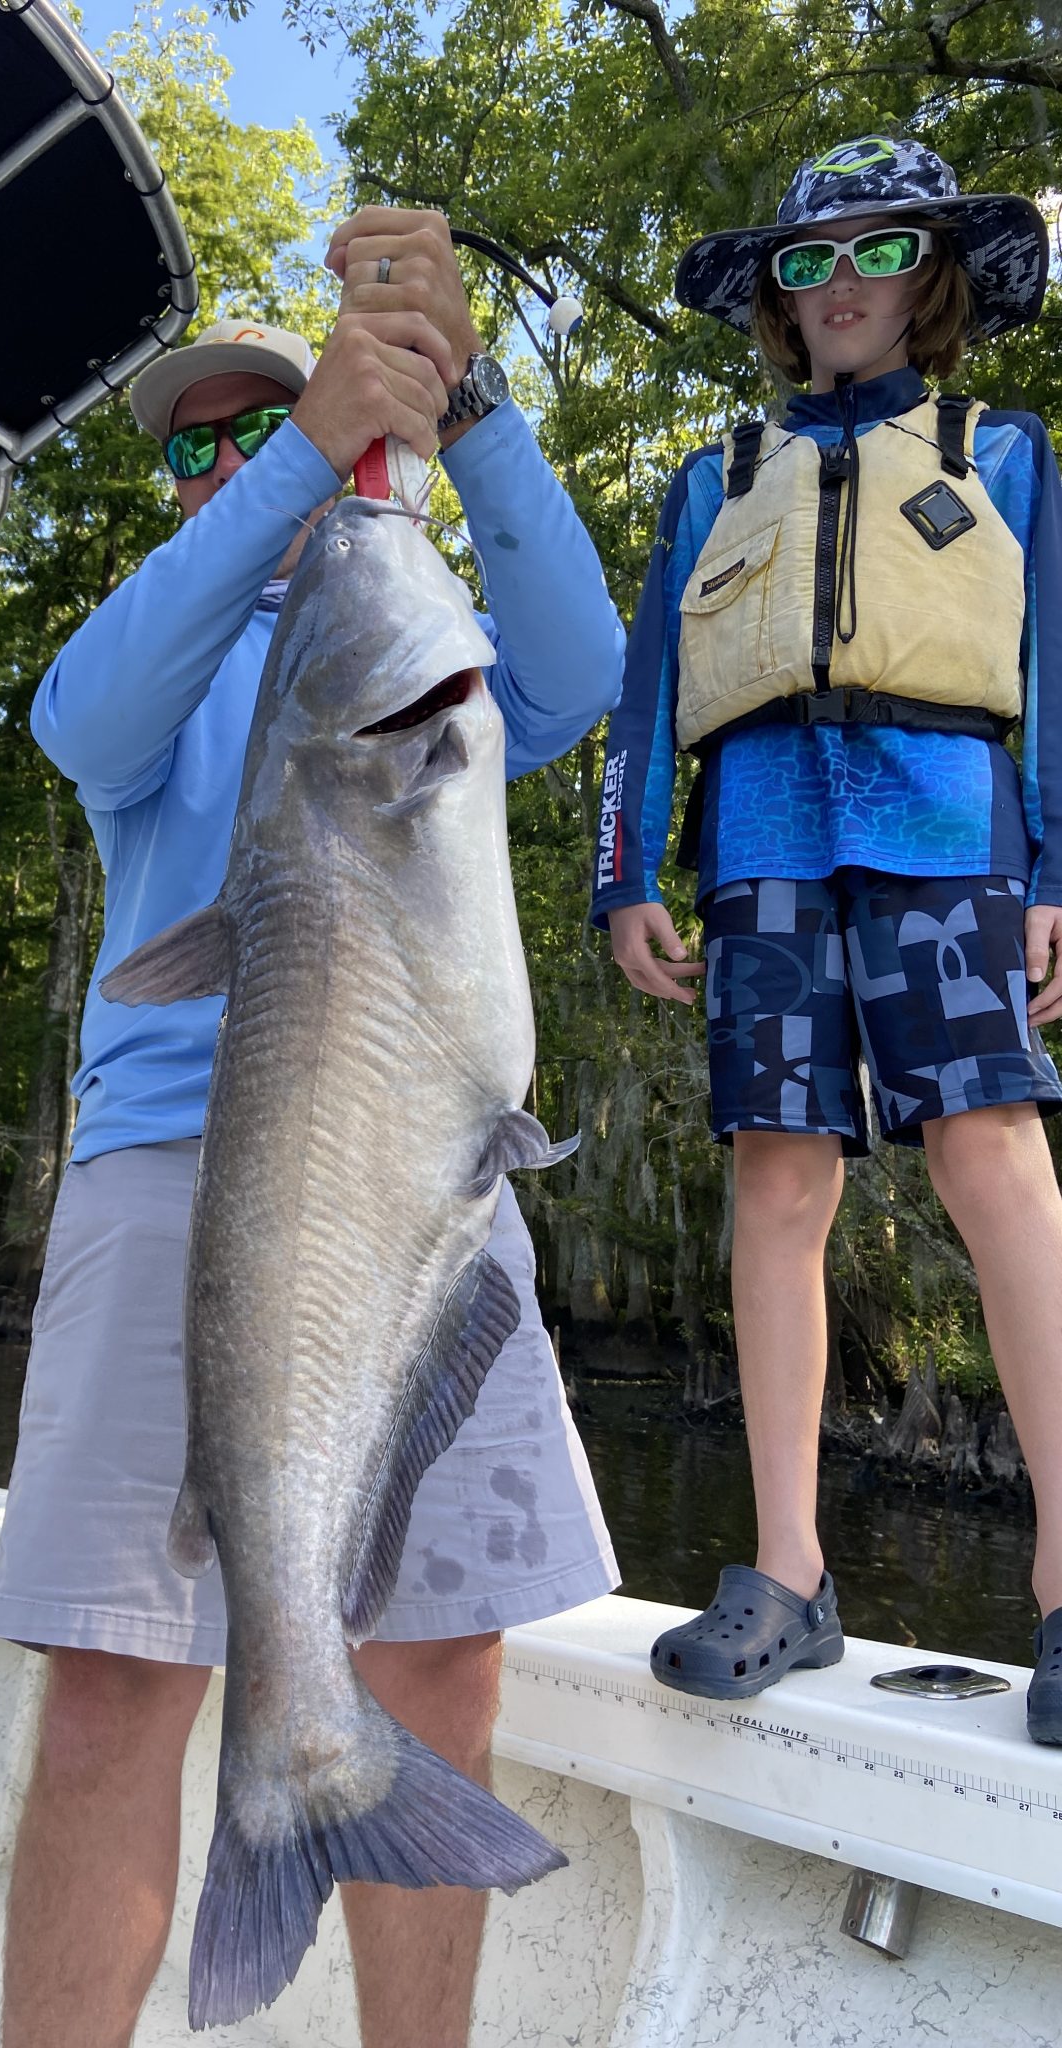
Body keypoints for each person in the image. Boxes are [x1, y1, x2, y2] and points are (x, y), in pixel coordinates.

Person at [0, 204, 627, 2047]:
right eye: (195, 448)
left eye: (264, 423)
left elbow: (578, 672)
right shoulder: (160, 681)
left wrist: (460, 402)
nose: (225, 464)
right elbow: (78, 714)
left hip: (425, 1193)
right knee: (115, 1684)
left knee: (442, 1661)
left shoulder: (420, 664)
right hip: (174, 1187)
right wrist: (299, 459)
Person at [591, 134, 1062, 1744]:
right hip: (763, 852)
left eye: (879, 251)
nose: (842, 282)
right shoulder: (711, 480)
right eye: (809, 260)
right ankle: (789, 1574)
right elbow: (645, 697)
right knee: (776, 1184)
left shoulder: (1005, 451)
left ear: (930, 281)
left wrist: (1056, 865)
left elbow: (1055, 670)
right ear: (778, 301)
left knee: (994, 1161)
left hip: (951, 836)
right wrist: (623, 873)